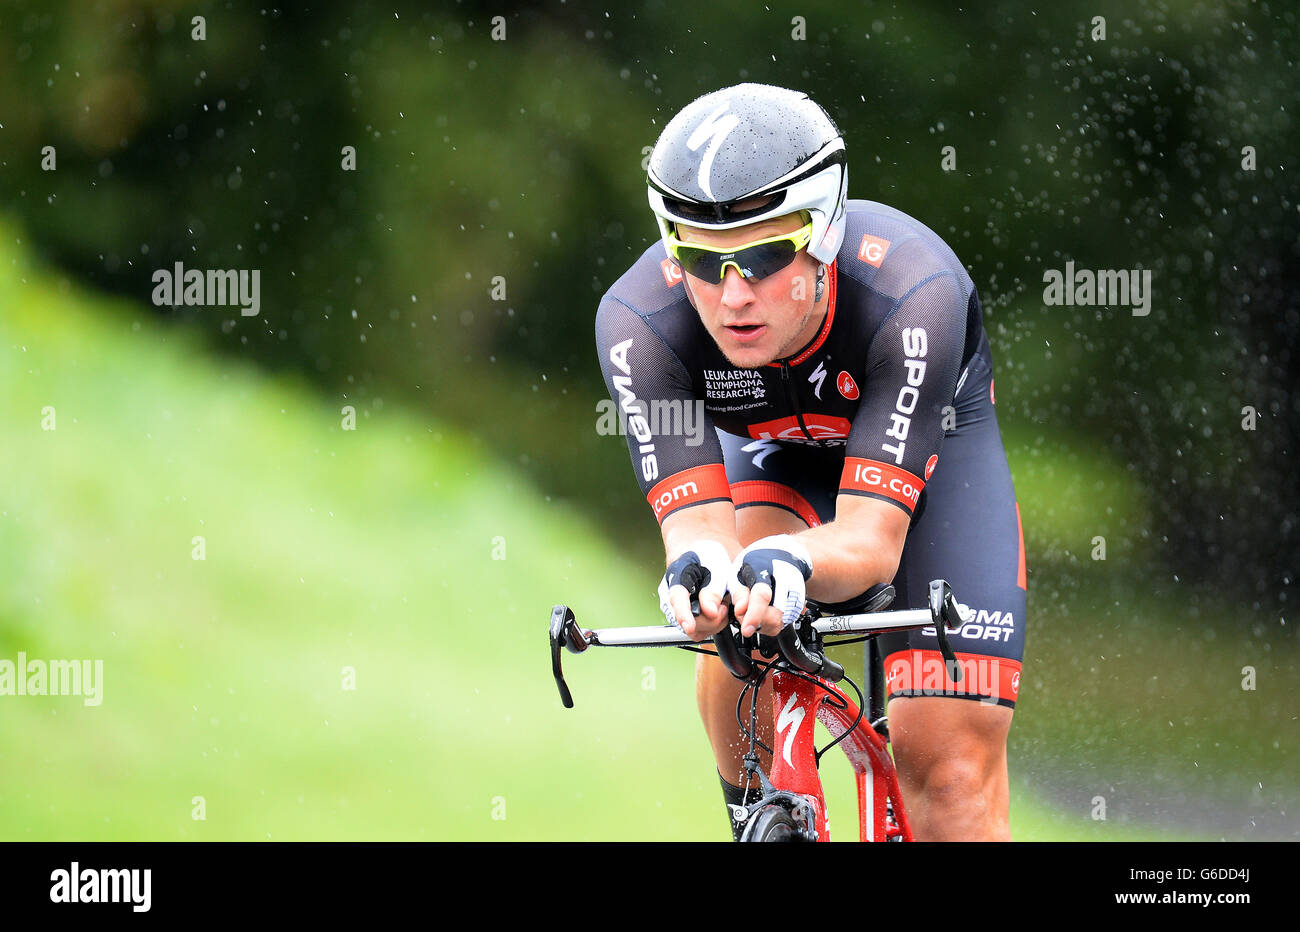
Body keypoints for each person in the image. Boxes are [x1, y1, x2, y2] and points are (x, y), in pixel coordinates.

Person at [594, 83, 1026, 841]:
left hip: (929, 462)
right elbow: (697, 529)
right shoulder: (638, 324)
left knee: (949, 771)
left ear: (823, 231)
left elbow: (868, 542)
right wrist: (701, 572)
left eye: (764, 255)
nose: (732, 296)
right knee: (734, 625)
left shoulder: (909, 291)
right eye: (699, 259)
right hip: (770, 455)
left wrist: (788, 561)